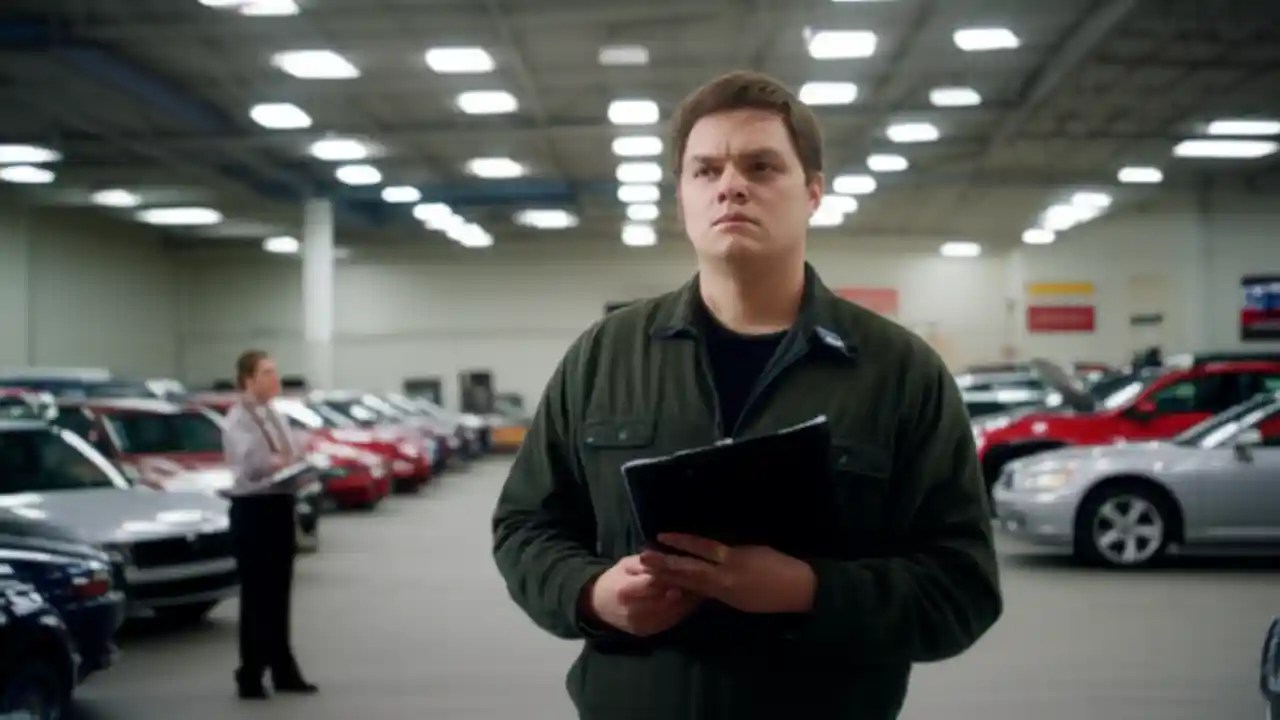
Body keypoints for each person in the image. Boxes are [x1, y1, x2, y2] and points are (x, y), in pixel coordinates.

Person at [491, 71, 1002, 719]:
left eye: (761, 166)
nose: (730, 185)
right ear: (682, 198)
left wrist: (809, 590)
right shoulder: (603, 357)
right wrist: (591, 593)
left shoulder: (900, 372)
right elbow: (526, 527)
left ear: (813, 192)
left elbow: (962, 588)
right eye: (704, 171)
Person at [222, 349, 318, 699]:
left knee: (279, 594)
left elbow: (286, 454)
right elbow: (250, 465)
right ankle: (250, 673)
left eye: (275, 371)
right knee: (257, 597)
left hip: (279, 506)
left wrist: (298, 463)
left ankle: (283, 669)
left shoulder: (275, 413)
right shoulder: (238, 418)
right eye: (267, 372)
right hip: (254, 511)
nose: (275, 378)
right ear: (249, 379)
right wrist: (278, 462)